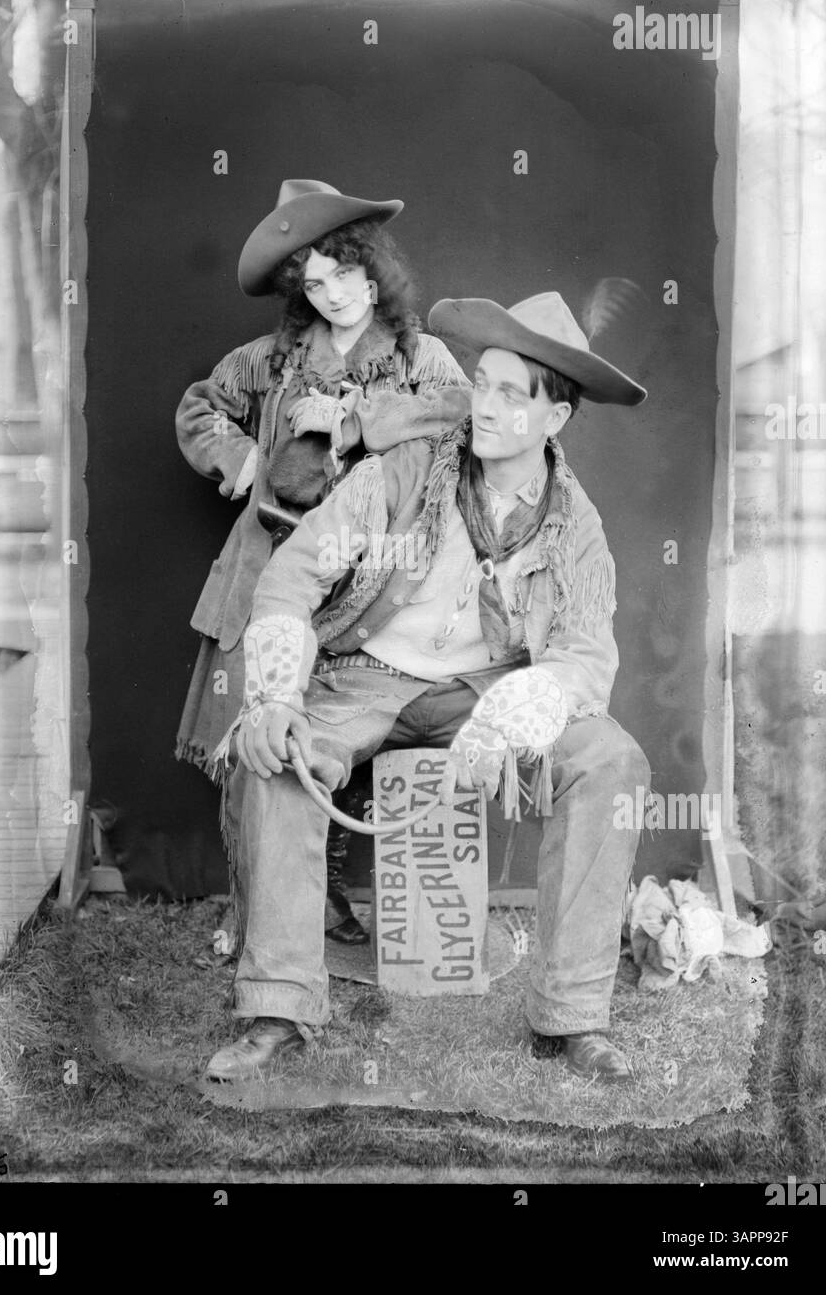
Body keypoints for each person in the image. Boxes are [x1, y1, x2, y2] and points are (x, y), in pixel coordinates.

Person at [204, 290, 653, 1086]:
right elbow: (292, 579)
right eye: (483, 381)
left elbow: (586, 658)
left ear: (556, 419)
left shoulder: (576, 526)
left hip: (488, 689)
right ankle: (278, 1006)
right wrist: (275, 696)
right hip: (366, 675)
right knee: (279, 753)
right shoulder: (406, 471)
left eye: (514, 393)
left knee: (611, 761)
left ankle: (574, 1014)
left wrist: (508, 716)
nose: (486, 404)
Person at [174, 179, 471, 942]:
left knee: (334, 742)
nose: (332, 292)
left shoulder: (418, 357)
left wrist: (356, 421)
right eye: (313, 282)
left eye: (343, 273)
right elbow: (200, 405)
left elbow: (465, 414)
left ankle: (324, 894)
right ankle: (253, 920)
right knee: (256, 739)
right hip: (269, 572)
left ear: (372, 273)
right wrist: (243, 462)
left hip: (370, 585)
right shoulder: (271, 359)